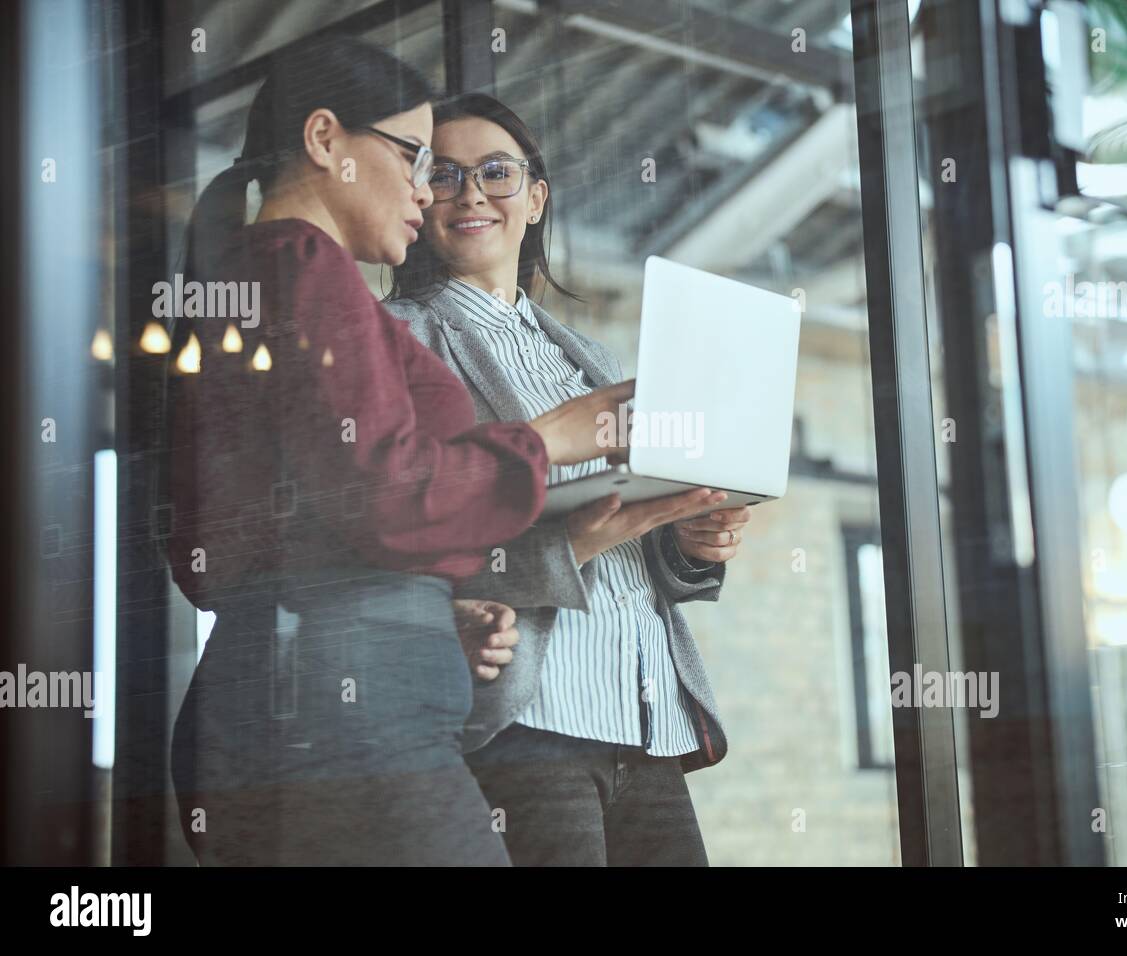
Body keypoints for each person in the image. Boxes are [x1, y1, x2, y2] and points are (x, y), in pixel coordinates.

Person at [165, 39, 627, 866]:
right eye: (414, 157)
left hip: (300, 701)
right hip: (344, 727)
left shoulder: (250, 273)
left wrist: (414, 612)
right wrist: (547, 439)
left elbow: (285, 524)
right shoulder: (303, 264)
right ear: (324, 140)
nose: (425, 189)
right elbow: (389, 492)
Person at [387, 93, 753, 866]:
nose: (471, 193)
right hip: (531, 722)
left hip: (647, 715)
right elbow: (404, 535)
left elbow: (633, 538)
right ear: (420, 198)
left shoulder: (596, 360)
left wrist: (689, 540)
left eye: (496, 172)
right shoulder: (400, 340)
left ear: (536, 198)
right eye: (443, 175)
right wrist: (568, 549)